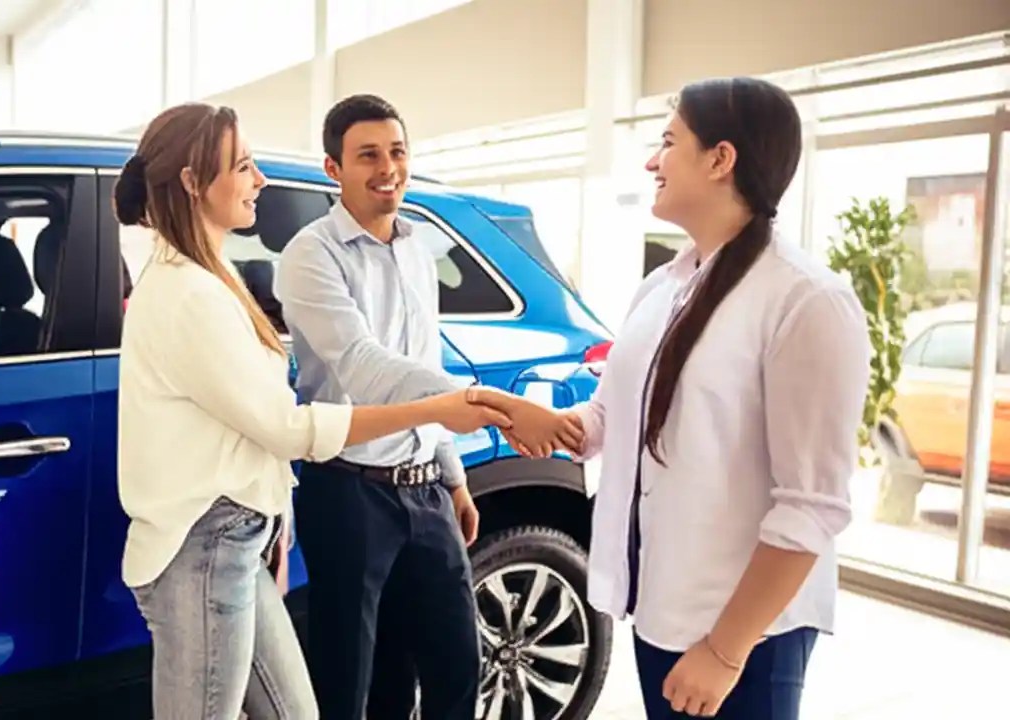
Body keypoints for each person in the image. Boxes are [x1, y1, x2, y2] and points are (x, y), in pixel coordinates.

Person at [113, 101, 513, 720]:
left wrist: (274, 516)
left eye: (397, 151)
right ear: (193, 183)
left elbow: (253, 421)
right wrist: (448, 404)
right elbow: (292, 421)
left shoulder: (211, 275)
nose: (260, 181)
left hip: (242, 535)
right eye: (243, 166)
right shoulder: (191, 292)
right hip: (210, 544)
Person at [567, 77, 871, 719]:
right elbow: (617, 415)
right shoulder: (663, 286)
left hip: (744, 633)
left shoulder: (805, 300)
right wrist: (550, 423)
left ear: (720, 158)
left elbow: (811, 506)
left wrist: (727, 651)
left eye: (668, 142)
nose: (653, 161)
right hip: (660, 605)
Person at [273, 93, 582, 720]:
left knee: (454, 668)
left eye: (396, 151)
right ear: (333, 169)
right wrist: (478, 401)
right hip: (349, 492)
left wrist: (454, 476)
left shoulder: (418, 246)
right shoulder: (311, 255)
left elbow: (425, 362)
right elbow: (362, 366)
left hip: (427, 493)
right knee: (351, 681)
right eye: (367, 155)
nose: (388, 167)